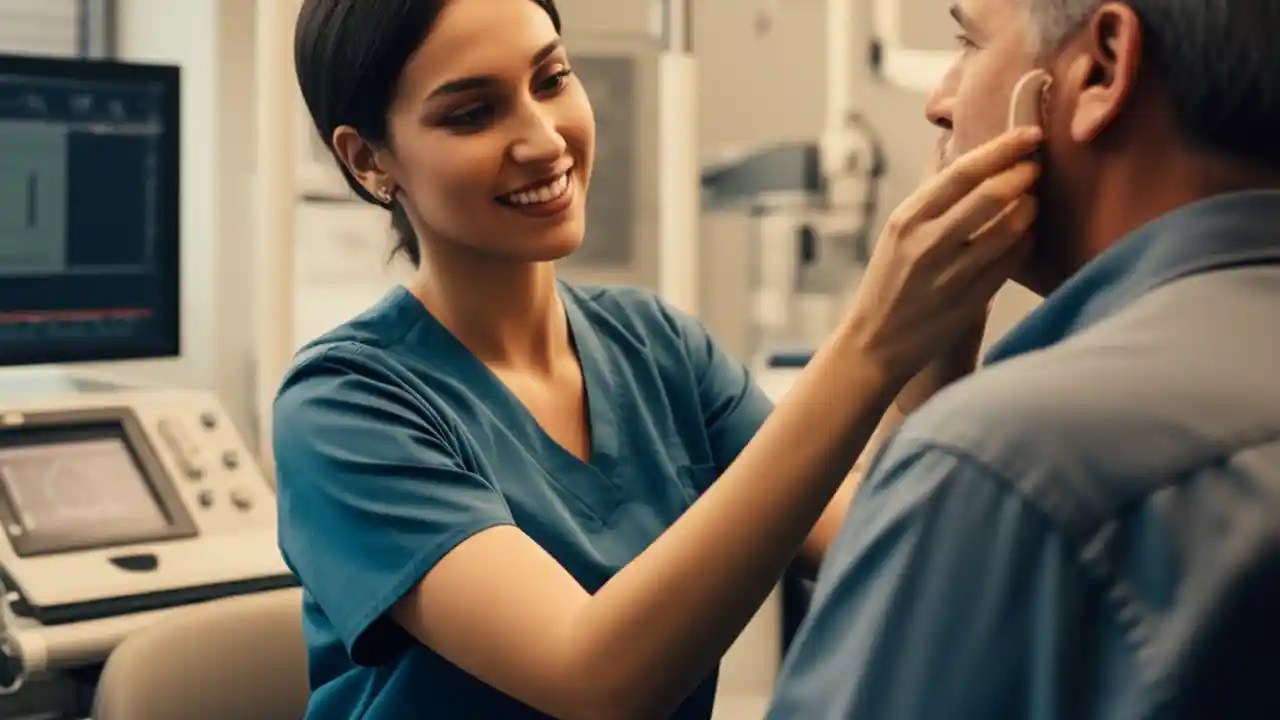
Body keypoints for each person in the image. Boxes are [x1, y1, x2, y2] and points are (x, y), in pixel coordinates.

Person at [273, 0, 1044, 717]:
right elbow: (596, 681)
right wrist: (873, 342)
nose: (543, 139)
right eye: (473, 113)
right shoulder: (343, 407)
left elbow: (899, 563)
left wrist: (942, 343)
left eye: (552, 79)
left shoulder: (657, 348)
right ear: (369, 162)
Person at [767, 0, 1280, 718]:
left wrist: (933, 422)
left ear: (1102, 66)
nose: (939, 104)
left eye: (967, 43)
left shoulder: (1005, 464)